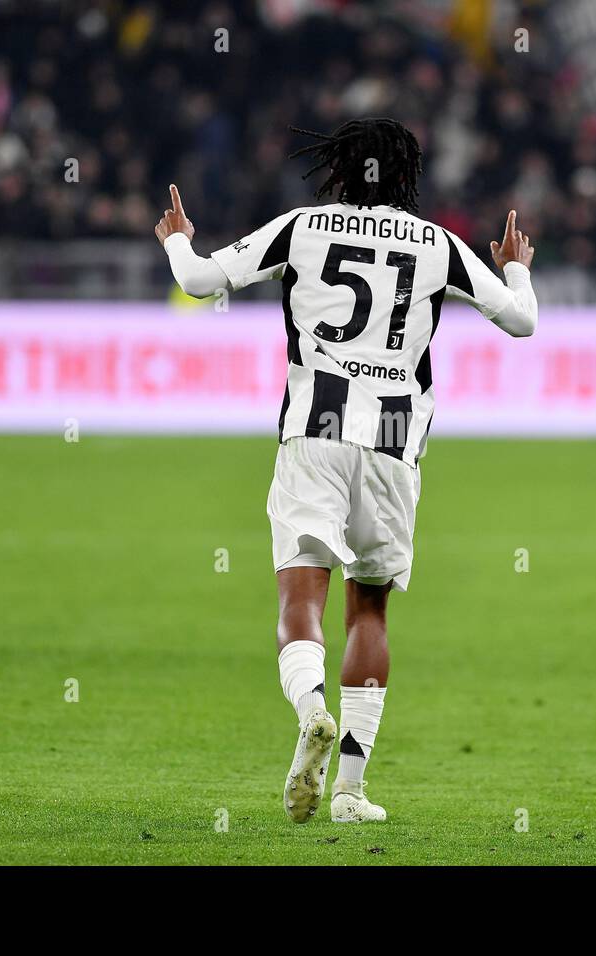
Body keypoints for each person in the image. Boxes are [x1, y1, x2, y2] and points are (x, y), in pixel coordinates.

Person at [156, 118, 537, 823]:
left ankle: (310, 713)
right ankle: (351, 794)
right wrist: (516, 264)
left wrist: (177, 233)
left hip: (316, 428)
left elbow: (198, 279)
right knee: (371, 606)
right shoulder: (437, 244)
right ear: (405, 176)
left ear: (339, 169)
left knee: (301, 596)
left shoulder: (302, 226)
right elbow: (521, 322)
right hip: (393, 437)